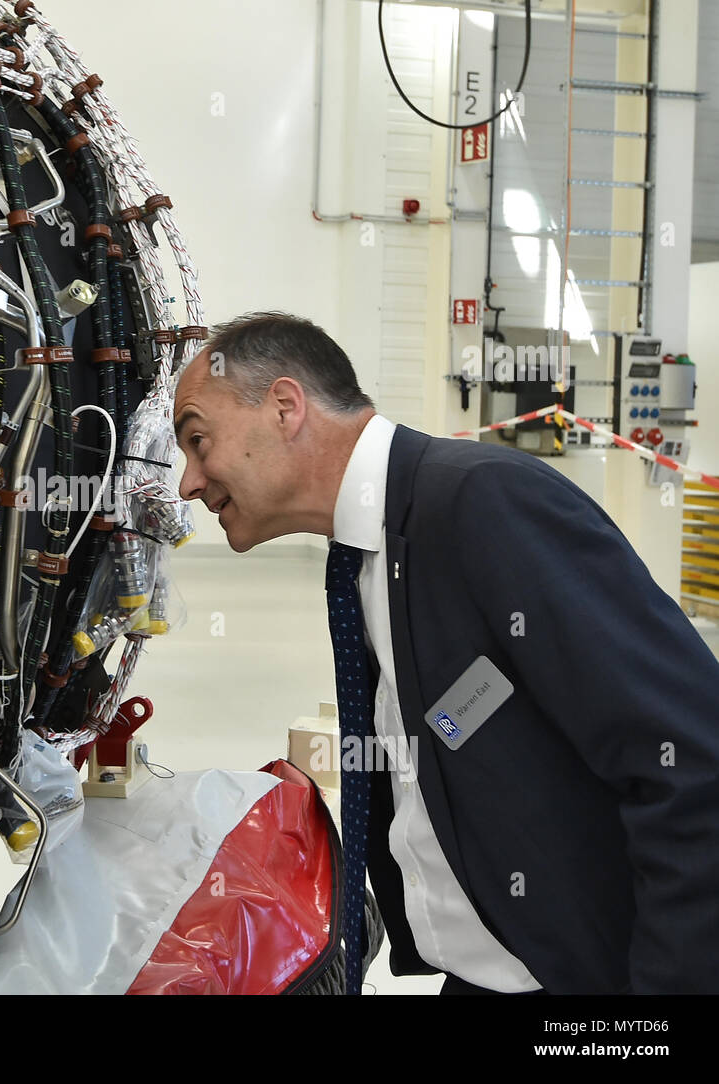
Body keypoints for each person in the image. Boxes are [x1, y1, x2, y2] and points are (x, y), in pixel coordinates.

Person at [173, 310, 719, 995]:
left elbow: (691, 757)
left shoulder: (482, 502)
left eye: (198, 441)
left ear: (286, 406)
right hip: (480, 975)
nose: (188, 482)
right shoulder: (367, 555)